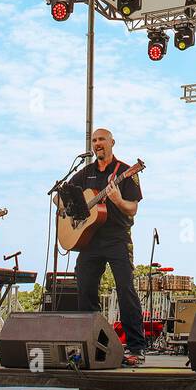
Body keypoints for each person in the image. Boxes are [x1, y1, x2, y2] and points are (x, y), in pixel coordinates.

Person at [63, 128, 146, 367]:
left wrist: (118, 200)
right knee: (86, 289)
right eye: (94, 140)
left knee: (125, 288)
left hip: (116, 238)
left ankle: (136, 347)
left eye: (102, 139)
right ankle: (91, 344)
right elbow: (62, 196)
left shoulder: (126, 171)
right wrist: (68, 208)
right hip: (89, 239)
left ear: (112, 142)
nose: (98, 143)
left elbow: (132, 209)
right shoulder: (85, 173)